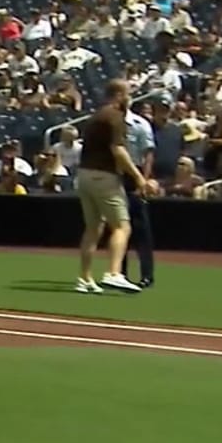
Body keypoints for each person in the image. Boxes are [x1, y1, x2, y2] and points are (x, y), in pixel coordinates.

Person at [73, 79, 153, 294]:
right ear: (118, 95)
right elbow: (118, 149)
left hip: (84, 175)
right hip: (104, 175)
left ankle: (84, 278)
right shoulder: (115, 116)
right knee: (121, 226)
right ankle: (114, 273)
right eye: (127, 93)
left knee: (93, 228)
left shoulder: (95, 116)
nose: (130, 98)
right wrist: (138, 177)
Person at [121, 98, 157, 287]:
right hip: (115, 175)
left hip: (134, 175)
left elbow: (148, 154)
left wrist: (143, 180)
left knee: (141, 229)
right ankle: (120, 273)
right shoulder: (110, 122)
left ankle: (146, 275)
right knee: (118, 227)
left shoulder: (140, 124)